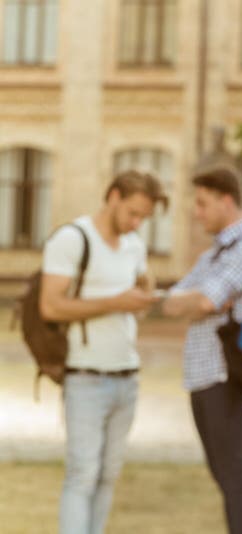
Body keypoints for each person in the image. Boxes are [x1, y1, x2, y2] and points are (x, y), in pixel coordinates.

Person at [40, 170, 167, 534]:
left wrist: (144, 289)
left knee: (108, 477)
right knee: (82, 475)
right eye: (132, 213)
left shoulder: (134, 244)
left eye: (144, 216)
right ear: (112, 197)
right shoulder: (72, 239)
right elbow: (51, 307)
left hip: (127, 377)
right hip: (85, 378)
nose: (137, 222)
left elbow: (143, 284)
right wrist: (116, 301)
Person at [162, 167, 242, 534]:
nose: (197, 212)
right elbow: (171, 301)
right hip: (203, 375)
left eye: (203, 203)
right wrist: (197, 301)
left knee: (235, 476)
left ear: (227, 201)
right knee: (224, 476)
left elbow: (207, 300)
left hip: (226, 375)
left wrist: (201, 301)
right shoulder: (215, 253)